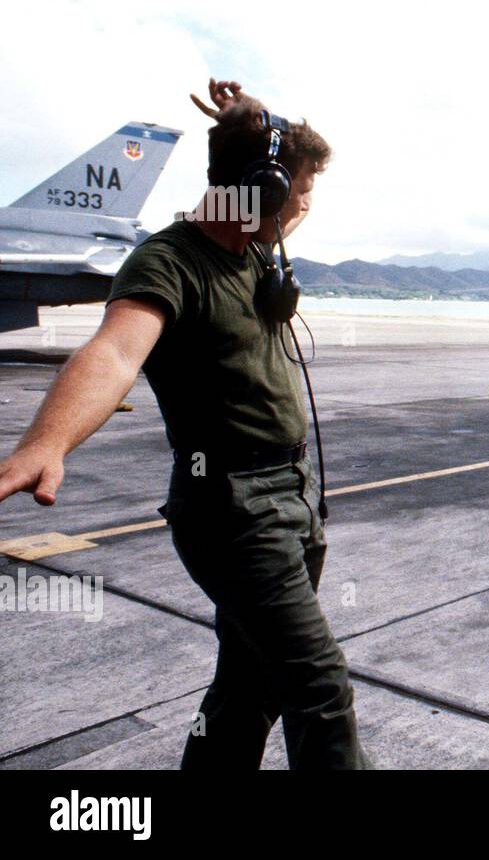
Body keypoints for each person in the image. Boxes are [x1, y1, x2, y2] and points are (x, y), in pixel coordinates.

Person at [0, 79, 370, 769]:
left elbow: (270, 177)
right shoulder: (169, 263)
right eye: (302, 194)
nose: (306, 210)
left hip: (293, 497)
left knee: (249, 684)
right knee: (319, 686)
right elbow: (112, 351)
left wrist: (251, 119)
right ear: (259, 191)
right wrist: (46, 440)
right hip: (235, 512)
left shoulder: (252, 245)